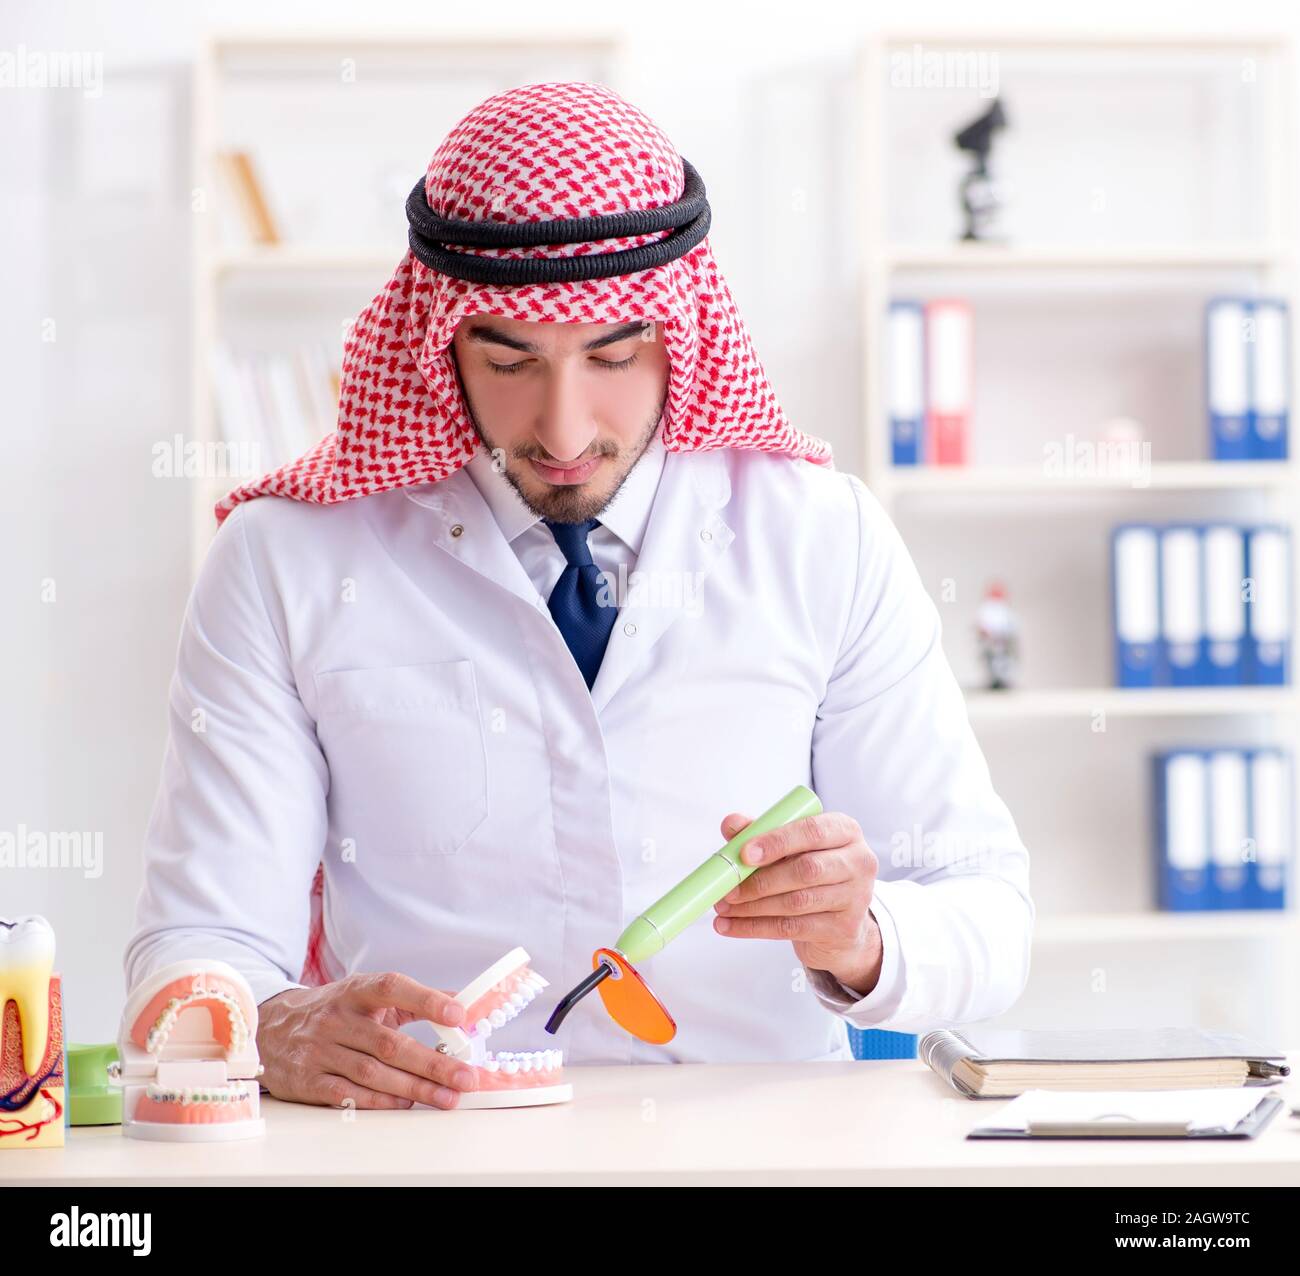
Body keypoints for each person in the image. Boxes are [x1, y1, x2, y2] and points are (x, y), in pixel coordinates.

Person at [126, 81, 1033, 1112]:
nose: (562, 430)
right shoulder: (283, 561)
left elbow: (991, 919)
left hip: (765, 1157)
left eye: (612, 355)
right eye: (508, 359)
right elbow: (195, 944)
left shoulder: (825, 538)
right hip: (422, 1155)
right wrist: (263, 1022)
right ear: (441, 342)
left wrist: (863, 940)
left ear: (682, 333)